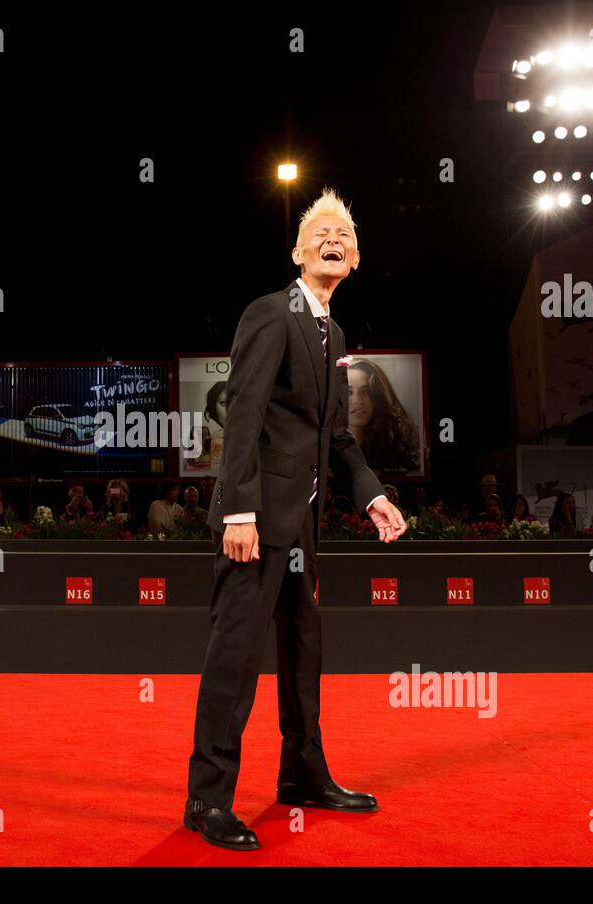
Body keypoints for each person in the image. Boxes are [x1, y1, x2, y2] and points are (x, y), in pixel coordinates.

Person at [185, 187, 406, 851]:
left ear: (356, 258)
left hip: (306, 531)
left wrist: (372, 496)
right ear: (298, 252)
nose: (331, 239)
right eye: (319, 233)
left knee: (304, 658)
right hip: (254, 524)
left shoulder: (333, 333)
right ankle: (207, 801)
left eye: (343, 233)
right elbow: (243, 417)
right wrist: (239, 512)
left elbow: (334, 437)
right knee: (236, 660)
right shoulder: (269, 314)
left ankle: (303, 776)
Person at [344, 357, 421, 472]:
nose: (357, 400)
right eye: (348, 392)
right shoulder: (324, 448)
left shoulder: (398, 449)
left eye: (366, 392)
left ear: (378, 397)